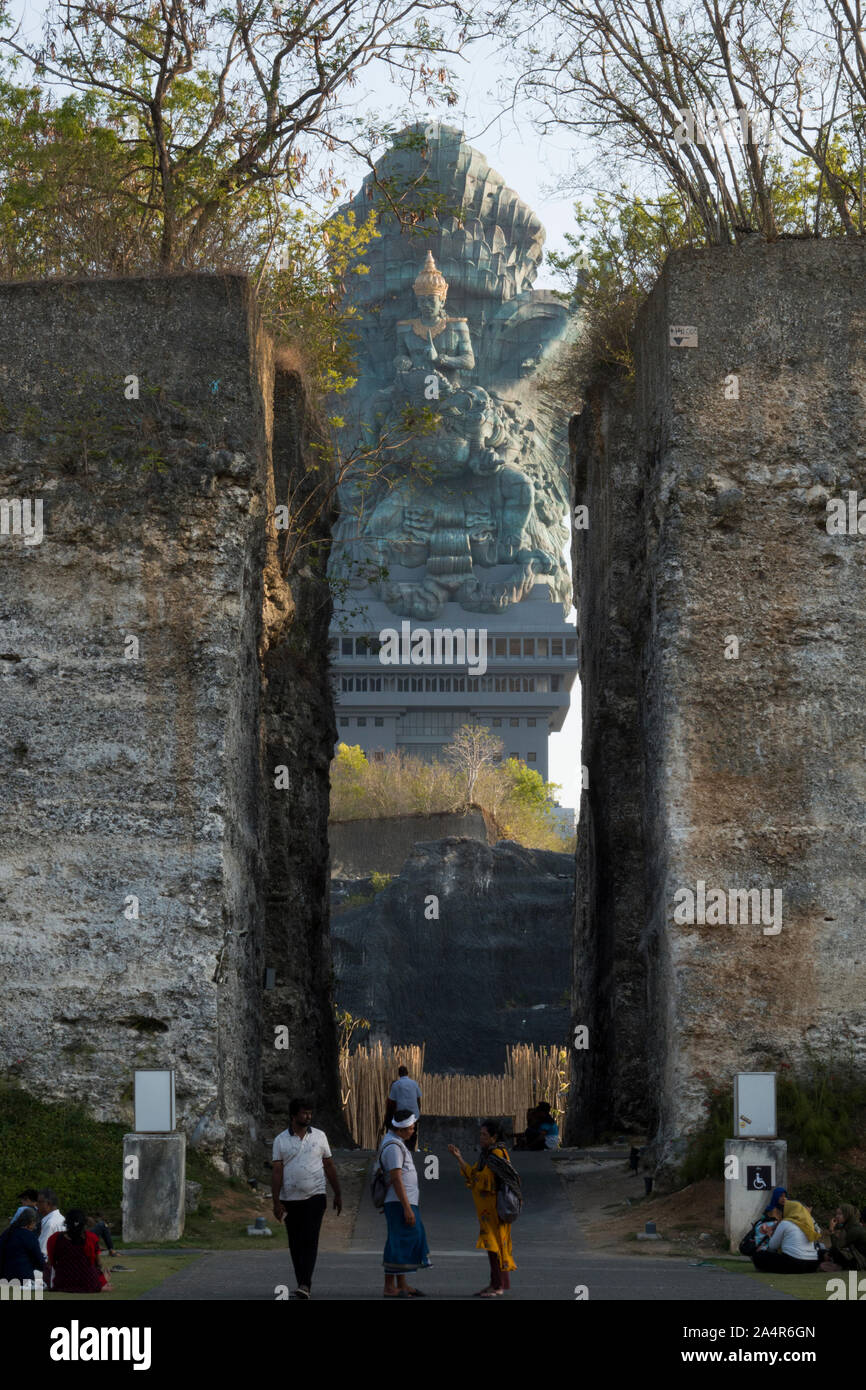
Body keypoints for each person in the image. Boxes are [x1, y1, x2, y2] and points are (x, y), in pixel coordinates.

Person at [271, 1097, 342, 1301]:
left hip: (315, 1197)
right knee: (295, 1242)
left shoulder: (320, 1136)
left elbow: (329, 1165)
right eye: (304, 1113)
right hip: (290, 1199)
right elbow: (277, 1172)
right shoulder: (281, 1140)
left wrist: (337, 1192)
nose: (308, 1116)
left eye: (310, 1113)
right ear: (293, 1116)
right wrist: (276, 1202)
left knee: (310, 1240)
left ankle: (305, 1284)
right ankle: (301, 1281)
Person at [448, 1119, 520, 1297]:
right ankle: (496, 1283)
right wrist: (459, 1158)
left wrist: (470, 1172)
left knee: (495, 1246)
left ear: (494, 1137)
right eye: (480, 1134)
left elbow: (484, 1180)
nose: (481, 1137)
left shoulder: (497, 1154)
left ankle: (497, 1286)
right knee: (494, 1247)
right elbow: (475, 1173)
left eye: (484, 1135)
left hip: (496, 1210)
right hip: (489, 1212)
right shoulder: (488, 1154)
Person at [380, 1109, 431, 1298]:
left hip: (403, 1202)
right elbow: (396, 1178)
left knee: (404, 1239)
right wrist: (407, 1207)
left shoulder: (397, 1143)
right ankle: (389, 1286)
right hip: (399, 1203)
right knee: (398, 1241)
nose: (413, 1130)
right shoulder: (393, 1146)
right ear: (401, 1129)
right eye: (411, 1127)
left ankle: (402, 1284)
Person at [46, 1209, 111, 1292]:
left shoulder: (55, 1238)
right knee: (97, 1272)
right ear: (84, 1223)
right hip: (89, 1283)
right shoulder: (91, 1238)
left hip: (63, 1282)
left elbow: (50, 1262)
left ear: (66, 1222)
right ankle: (103, 1281)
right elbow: (98, 1263)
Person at [752, 1201, 820, 1273]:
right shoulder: (809, 1224)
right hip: (812, 1265)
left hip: (794, 1263)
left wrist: (770, 1235)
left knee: (758, 1255)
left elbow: (772, 1246)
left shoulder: (786, 1223)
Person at [0, 1209, 46, 1289]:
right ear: (31, 1222)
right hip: (23, 1278)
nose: (35, 1227)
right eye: (34, 1224)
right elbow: (39, 1262)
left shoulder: (6, 1233)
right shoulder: (29, 1236)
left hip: (4, 1277)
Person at [385, 1067, 423, 1152]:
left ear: (399, 1074)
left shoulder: (396, 1084)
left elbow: (392, 1100)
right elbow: (418, 1099)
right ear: (407, 1073)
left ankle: (402, 1150)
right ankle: (411, 1150)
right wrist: (418, 1112)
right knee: (413, 1132)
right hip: (414, 1113)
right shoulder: (414, 1083)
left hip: (402, 1114)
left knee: (402, 1133)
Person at [821, 1204, 866, 1272]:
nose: (837, 1216)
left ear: (847, 1215)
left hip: (861, 1262)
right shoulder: (851, 1226)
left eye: (840, 1214)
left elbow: (837, 1246)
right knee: (824, 1252)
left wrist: (831, 1230)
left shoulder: (854, 1229)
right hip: (858, 1258)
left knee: (825, 1253)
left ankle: (838, 1267)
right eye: (836, 1214)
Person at [36, 1189, 65, 1267]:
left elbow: (42, 1251)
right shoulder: (62, 1219)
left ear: (48, 1204)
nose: (36, 1205)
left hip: (49, 1267)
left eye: (39, 1202)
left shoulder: (50, 1223)